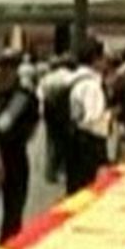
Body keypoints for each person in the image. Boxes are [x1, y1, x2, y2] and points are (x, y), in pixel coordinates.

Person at [0, 50, 40, 242]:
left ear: (15, 70)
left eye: (6, 68)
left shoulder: (24, 97)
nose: (0, 72)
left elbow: (26, 127)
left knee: (13, 212)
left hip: (14, 158)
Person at [65, 38, 111, 195]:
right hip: (89, 146)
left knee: (76, 190)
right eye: (103, 57)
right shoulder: (91, 85)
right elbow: (94, 120)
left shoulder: (74, 79)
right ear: (95, 59)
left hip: (74, 143)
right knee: (89, 192)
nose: (106, 62)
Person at [37, 55, 76, 185]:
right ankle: (62, 170)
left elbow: (40, 95)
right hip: (65, 113)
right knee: (66, 142)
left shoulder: (48, 78)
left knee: (51, 142)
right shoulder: (69, 76)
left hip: (50, 113)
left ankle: (50, 172)